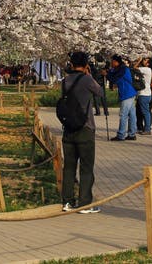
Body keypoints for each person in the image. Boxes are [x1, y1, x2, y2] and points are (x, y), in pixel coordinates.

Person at [61, 51, 104, 213]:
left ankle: (67, 201)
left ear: (71, 64)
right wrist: (90, 75)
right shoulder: (87, 79)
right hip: (85, 128)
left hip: (69, 128)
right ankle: (84, 203)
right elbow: (100, 92)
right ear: (86, 64)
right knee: (86, 167)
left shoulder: (65, 80)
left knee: (69, 167)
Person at [107, 54, 138, 141]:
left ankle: (121, 134)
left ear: (116, 62)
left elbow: (114, 79)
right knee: (132, 114)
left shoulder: (122, 69)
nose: (111, 63)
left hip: (127, 93)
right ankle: (132, 133)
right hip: (130, 92)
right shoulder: (122, 68)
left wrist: (107, 74)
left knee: (123, 114)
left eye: (112, 62)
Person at [135, 56, 152, 135]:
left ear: (148, 64)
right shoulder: (147, 70)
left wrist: (139, 60)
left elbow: (135, 68)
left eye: (145, 60)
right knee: (143, 112)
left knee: (145, 112)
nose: (144, 61)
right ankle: (144, 128)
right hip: (145, 93)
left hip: (144, 94)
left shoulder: (147, 69)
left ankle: (147, 128)